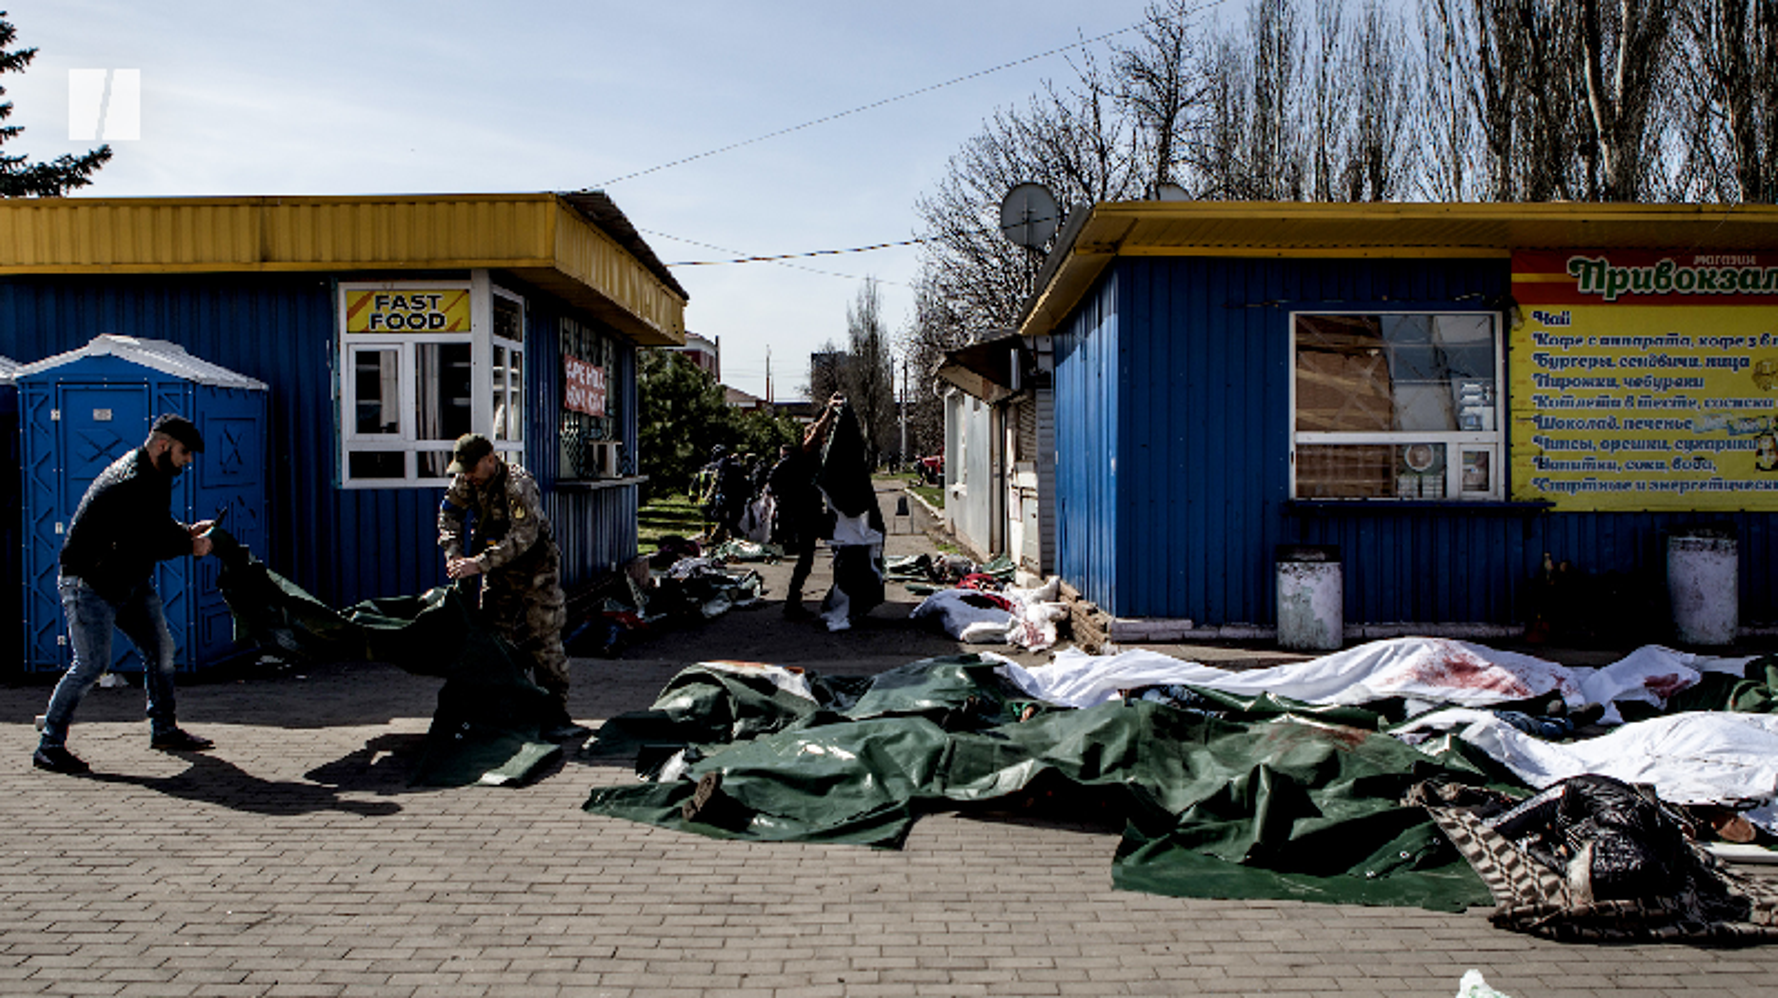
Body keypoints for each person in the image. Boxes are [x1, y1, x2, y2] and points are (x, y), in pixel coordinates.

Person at [33, 414, 219, 775]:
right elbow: (142, 539)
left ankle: (164, 730)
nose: (188, 460)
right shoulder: (129, 481)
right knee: (91, 664)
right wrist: (189, 546)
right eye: (184, 452)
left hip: (127, 579)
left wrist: (185, 532)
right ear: (163, 445)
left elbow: (154, 524)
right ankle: (49, 746)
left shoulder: (156, 473)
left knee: (160, 650)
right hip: (90, 582)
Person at [437, 433, 587, 742]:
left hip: (536, 570)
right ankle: (506, 708)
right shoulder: (467, 480)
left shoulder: (518, 485)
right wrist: (454, 554)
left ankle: (554, 714)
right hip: (498, 572)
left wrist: (478, 563)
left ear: (490, 460)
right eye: (463, 470)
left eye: (472, 469)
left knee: (543, 642)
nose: (467, 476)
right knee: (495, 640)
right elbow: (449, 515)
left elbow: (524, 536)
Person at [769, 394, 845, 618]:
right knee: (810, 556)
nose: (822, 439)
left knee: (815, 554)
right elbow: (816, 433)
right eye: (818, 437)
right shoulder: (802, 454)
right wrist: (829, 412)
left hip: (809, 512)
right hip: (804, 514)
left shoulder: (808, 457)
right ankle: (792, 603)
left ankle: (794, 601)